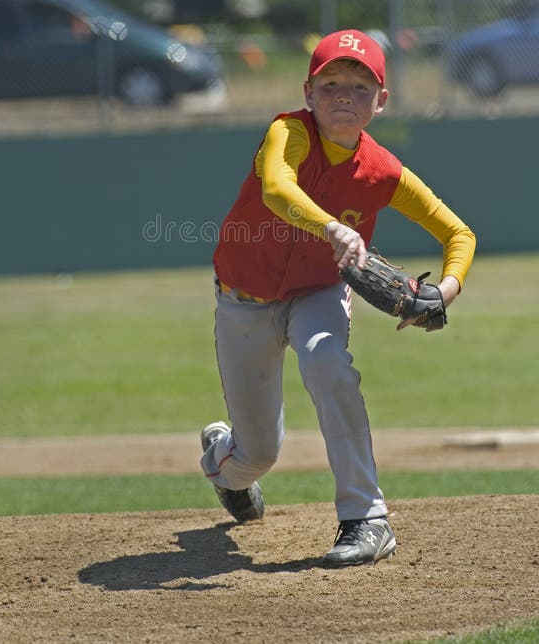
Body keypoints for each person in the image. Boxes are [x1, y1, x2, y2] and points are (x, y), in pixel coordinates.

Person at [200, 29, 476, 566]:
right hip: (244, 301)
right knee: (256, 454)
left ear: (382, 100)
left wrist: (442, 293)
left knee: (328, 361)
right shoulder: (289, 133)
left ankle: (366, 518)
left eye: (360, 85)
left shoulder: (382, 172)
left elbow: (459, 235)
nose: (344, 96)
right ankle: (223, 462)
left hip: (319, 292)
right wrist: (332, 227)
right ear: (308, 92)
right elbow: (278, 188)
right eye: (330, 85)